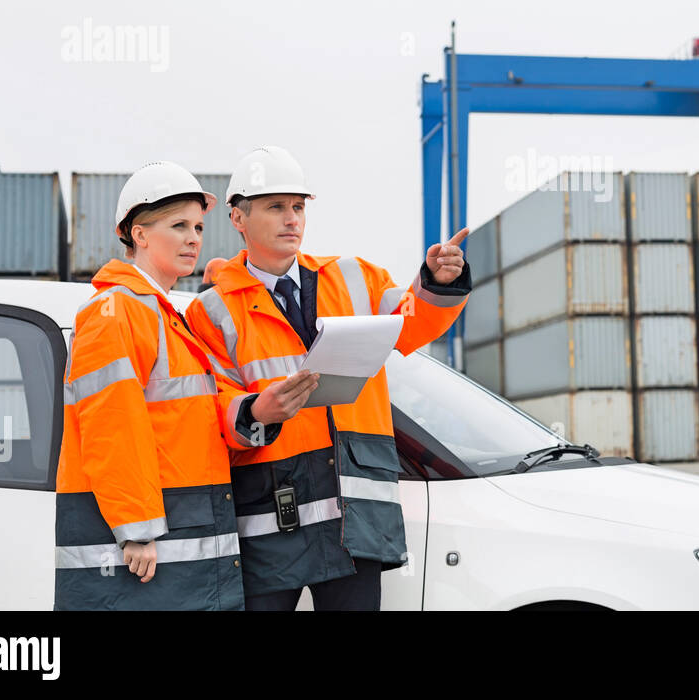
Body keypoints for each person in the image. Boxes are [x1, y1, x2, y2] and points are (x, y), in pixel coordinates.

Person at [185, 145, 470, 611]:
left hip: (353, 520)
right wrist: (256, 411)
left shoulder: (356, 277)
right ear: (238, 218)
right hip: (270, 520)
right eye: (276, 207)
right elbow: (209, 406)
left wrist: (436, 282)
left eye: (298, 207)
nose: (291, 219)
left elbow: (410, 324)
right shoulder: (211, 311)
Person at [53, 161, 319, 609]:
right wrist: (136, 529)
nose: (193, 238)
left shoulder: (167, 316)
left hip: (186, 537)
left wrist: (255, 414)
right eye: (178, 226)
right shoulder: (115, 312)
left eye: (197, 227)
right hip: (147, 547)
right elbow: (111, 425)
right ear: (139, 234)